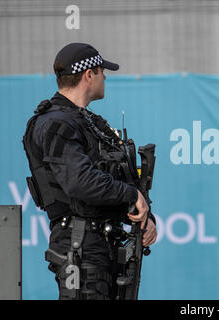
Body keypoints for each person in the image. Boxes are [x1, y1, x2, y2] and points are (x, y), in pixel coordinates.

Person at [22, 43, 157, 299]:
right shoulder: (55, 123)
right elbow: (80, 181)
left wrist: (145, 215)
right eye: (102, 71)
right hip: (80, 245)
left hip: (105, 244)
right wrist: (131, 196)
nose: (105, 76)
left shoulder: (92, 123)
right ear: (88, 75)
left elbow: (119, 175)